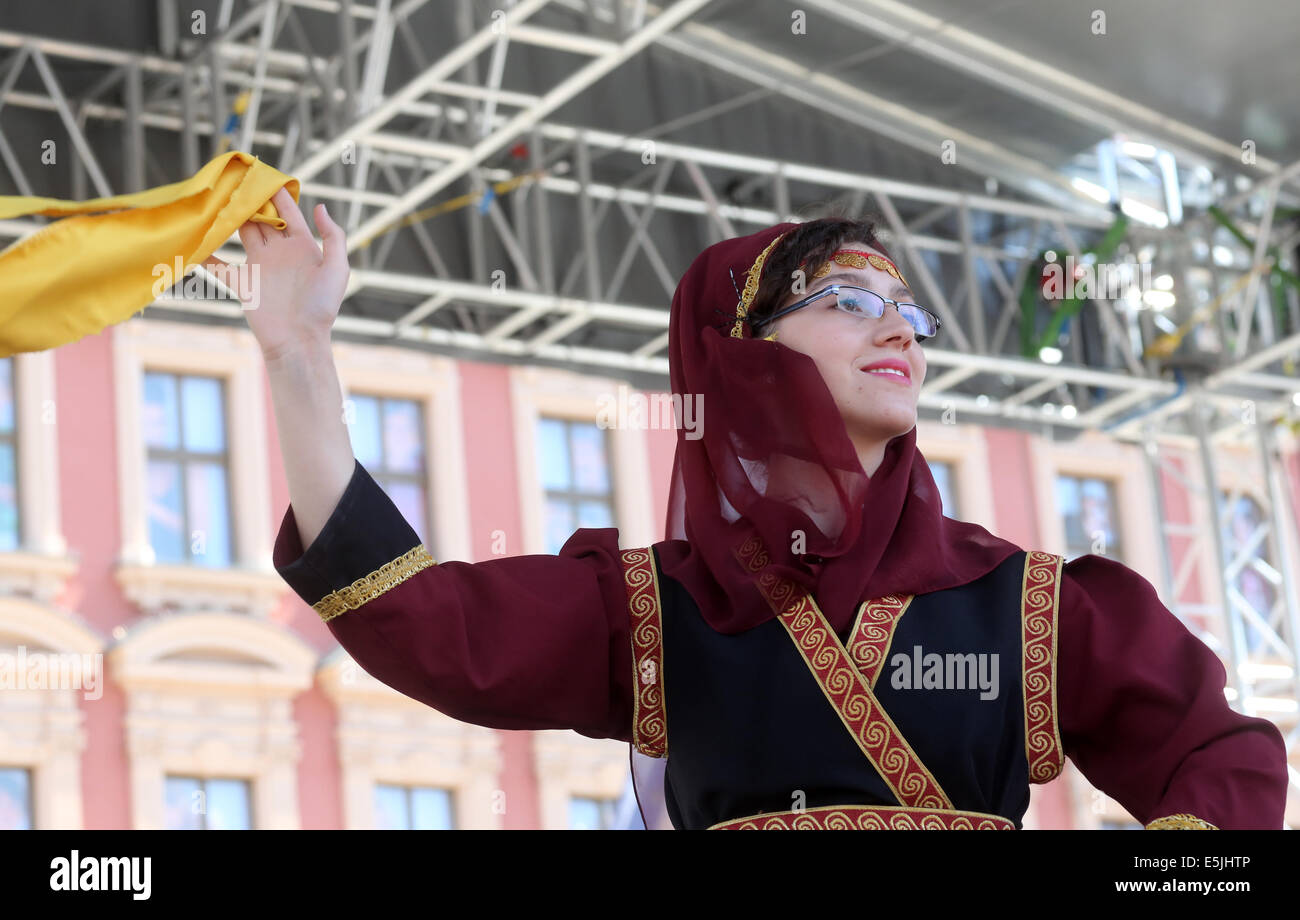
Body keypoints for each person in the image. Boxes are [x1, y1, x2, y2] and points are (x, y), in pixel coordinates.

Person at [240, 190, 1289, 830]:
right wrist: (298, 353)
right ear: (740, 351)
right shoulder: (654, 608)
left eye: (908, 311)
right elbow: (418, 619)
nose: (902, 333)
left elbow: (1221, 754)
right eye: (847, 300)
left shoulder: (1028, 604)